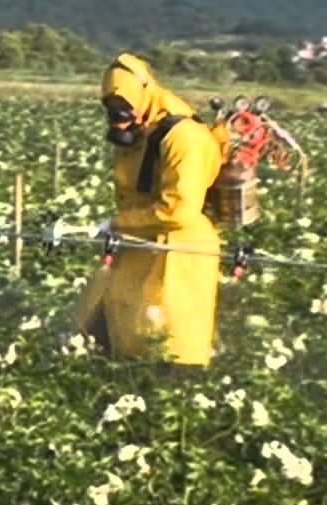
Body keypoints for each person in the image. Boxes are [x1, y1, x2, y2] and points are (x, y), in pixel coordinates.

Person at [76, 53, 224, 367]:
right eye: (112, 112)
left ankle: (171, 401)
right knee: (117, 330)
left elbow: (179, 210)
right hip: (140, 243)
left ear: (145, 93)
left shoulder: (183, 137)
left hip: (180, 250)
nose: (120, 120)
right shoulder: (141, 134)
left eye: (125, 111)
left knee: (171, 343)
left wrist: (117, 223)